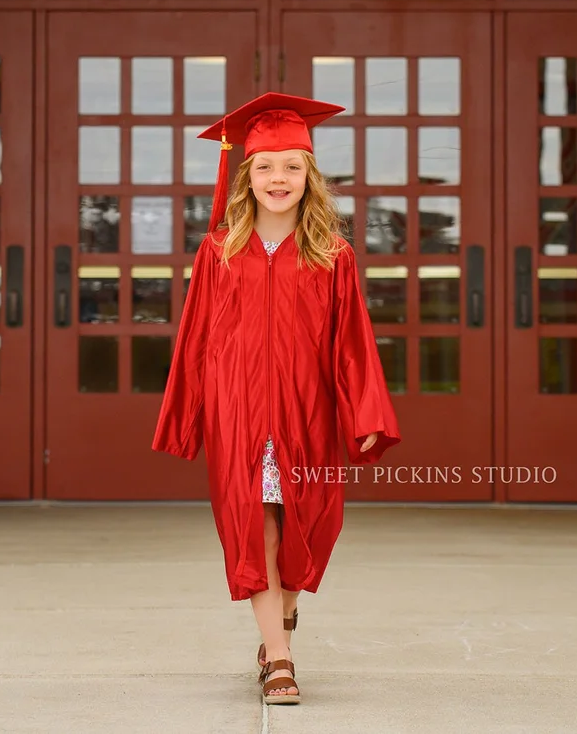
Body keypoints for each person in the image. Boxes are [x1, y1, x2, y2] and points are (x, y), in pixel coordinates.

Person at [151, 92, 402, 707]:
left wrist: (365, 411)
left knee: (305, 524)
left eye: (291, 166)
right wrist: (188, 413)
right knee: (255, 522)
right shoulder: (219, 251)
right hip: (238, 409)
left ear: (309, 176)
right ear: (246, 177)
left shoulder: (332, 255)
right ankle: (281, 659)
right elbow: (195, 337)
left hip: (307, 408)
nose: (278, 178)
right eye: (264, 166)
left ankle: (279, 628)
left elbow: (352, 341)